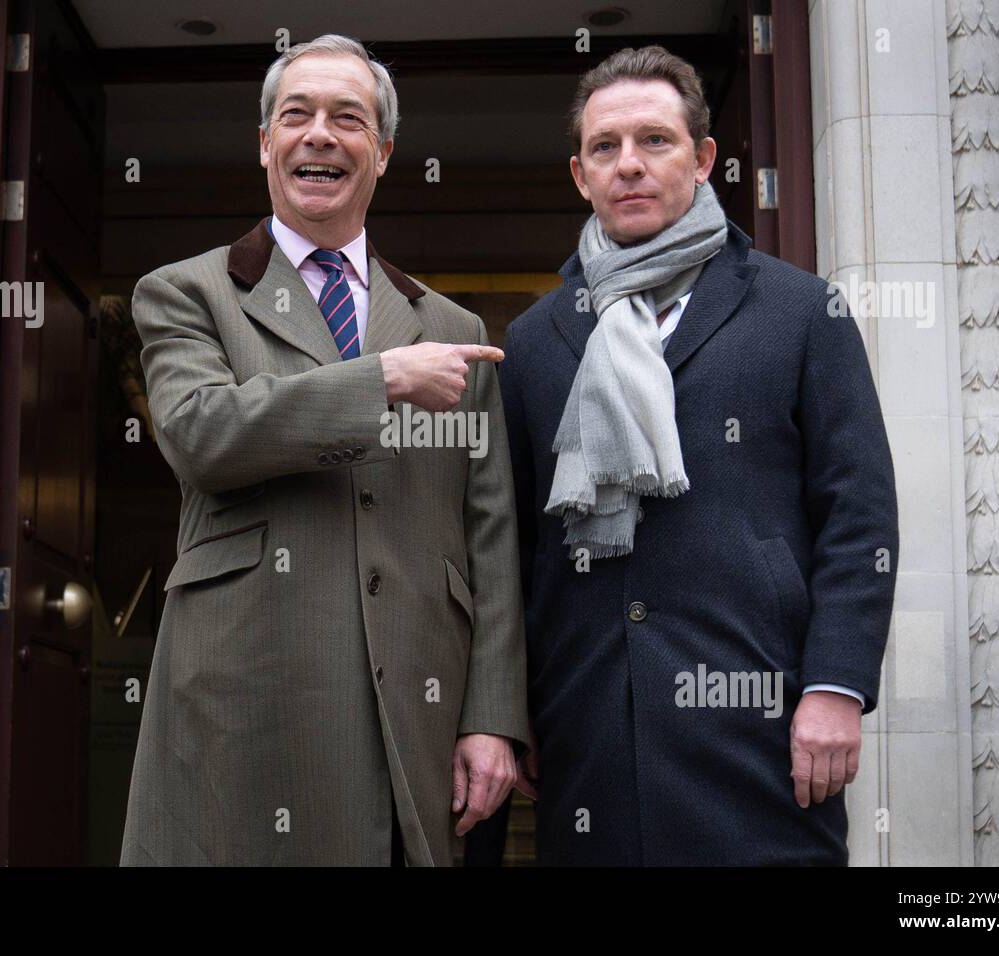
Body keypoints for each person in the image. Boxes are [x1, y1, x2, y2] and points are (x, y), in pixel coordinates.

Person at [121, 34, 528, 866]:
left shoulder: (454, 331)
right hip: (246, 696)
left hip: (414, 704)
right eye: (295, 115)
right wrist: (378, 380)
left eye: (349, 118)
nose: (319, 134)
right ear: (264, 143)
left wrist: (492, 716)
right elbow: (201, 435)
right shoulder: (186, 292)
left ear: (382, 152)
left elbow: (490, 537)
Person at [499, 45, 899, 865]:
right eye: (605, 148)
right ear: (580, 174)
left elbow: (859, 517)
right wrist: (519, 709)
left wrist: (836, 686)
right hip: (591, 740)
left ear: (704, 158)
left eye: (655, 140)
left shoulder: (801, 309)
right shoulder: (536, 340)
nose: (630, 165)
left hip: (761, 731)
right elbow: (517, 550)